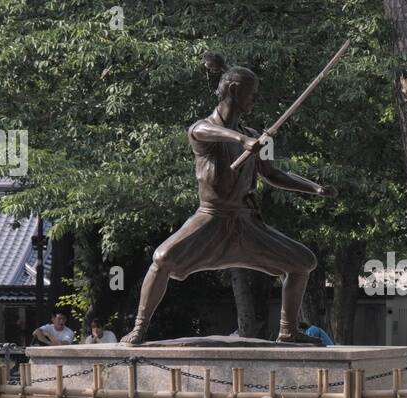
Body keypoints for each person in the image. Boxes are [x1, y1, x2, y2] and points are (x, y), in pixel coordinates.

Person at [120, 51, 336, 346]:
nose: (255, 99)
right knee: (162, 259)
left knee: (303, 262)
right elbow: (205, 131)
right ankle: (139, 328)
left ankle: (288, 330)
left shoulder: (254, 135)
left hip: (246, 223)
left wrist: (314, 188)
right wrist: (242, 141)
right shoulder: (203, 129)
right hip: (210, 218)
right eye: (252, 93)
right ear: (234, 90)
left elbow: (273, 175)